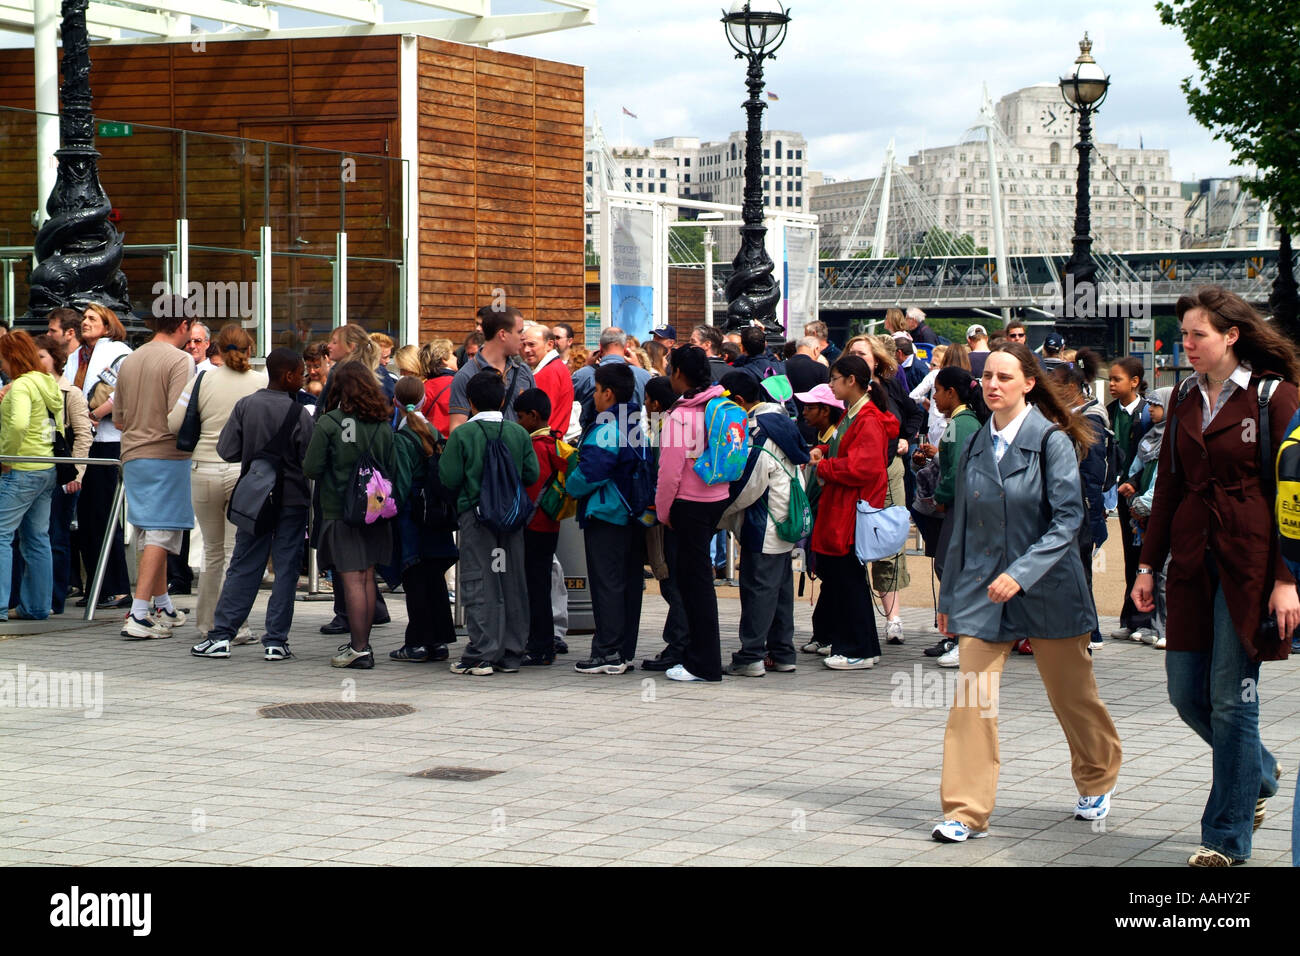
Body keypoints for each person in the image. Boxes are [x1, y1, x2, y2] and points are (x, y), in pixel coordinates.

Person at [1133, 286, 1299, 867]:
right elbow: (1170, 488)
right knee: (1185, 693)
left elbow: (1293, 494)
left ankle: (1225, 840)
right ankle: (1259, 769)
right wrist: (1147, 565)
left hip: (1250, 566)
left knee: (1232, 700)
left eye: (1196, 335)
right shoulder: (1181, 395)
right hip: (1191, 563)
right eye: (1183, 336)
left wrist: (1286, 577)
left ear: (1231, 336)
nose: (1187, 345)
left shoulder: (1274, 398)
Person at [932, 342, 1121, 844]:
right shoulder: (975, 441)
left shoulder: (1052, 440)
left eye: (1005, 377)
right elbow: (963, 529)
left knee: (1073, 696)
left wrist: (1021, 572)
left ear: (1029, 384)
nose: (993, 385)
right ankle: (965, 810)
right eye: (988, 376)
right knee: (971, 702)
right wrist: (949, 600)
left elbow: (1067, 521)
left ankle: (1097, 777)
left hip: (1050, 588)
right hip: (982, 595)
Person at [191, 348, 315, 661]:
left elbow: (227, 450)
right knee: (286, 568)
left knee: (244, 564)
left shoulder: (246, 405)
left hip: (255, 498)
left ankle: (221, 636)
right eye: (300, 373)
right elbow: (310, 461)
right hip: (292, 500)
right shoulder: (299, 413)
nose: (303, 378)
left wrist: (255, 456)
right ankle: (275, 641)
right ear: (288, 375)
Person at [167, 324, 267, 644]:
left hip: (203, 469)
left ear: (218, 349)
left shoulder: (202, 379)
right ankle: (236, 626)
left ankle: (208, 624)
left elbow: (173, 423)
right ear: (249, 349)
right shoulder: (260, 382)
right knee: (235, 552)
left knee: (212, 553)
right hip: (243, 473)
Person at [440, 370, 538, 675]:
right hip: (511, 519)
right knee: (511, 579)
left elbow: (448, 477)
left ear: (469, 402)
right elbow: (531, 474)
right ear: (505, 399)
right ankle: (512, 650)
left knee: (480, 580)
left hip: (477, 517)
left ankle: (483, 651)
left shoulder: (463, 435)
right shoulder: (518, 433)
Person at [803, 356, 896, 669]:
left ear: (851, 381)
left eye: (835, 378)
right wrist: (824, 451)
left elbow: (863, 467)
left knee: (849, 582)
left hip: (851, 509)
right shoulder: (854, 415)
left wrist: (825, 465)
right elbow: (849, 451)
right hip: (845, 507)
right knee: (847, 580)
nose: (831, 384)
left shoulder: (866, 418)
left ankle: (857, 649)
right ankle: (859, 646)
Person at [303, 362, 397, 669]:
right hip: (375, 511)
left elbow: (312, 467)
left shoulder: (329, 423)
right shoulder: (382, 424)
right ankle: (362, 644)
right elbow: (392, 466)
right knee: (368, 577)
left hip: (340, 511)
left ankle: (359, 648)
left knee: (352, 582)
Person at [112, 307, 196, 639]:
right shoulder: (180, 360)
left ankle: (162, 605)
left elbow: (117, 417)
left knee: (149, 531)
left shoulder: (131, 359)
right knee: (162, 532)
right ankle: (139, 612)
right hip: (167, 453)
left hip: (132, 451)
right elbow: (179, 415)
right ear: (184, 324)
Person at [718, 371, 808, 676]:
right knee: (779, 589)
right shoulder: (783, 422)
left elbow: (749, 486)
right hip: (785, 517)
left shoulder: (759, 431)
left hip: (763, 521)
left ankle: (751, 655)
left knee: (758, 589)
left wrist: (716, 515)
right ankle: (782, 652)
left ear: (740, 401)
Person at [654, 346, 731, 682]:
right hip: (717, 497)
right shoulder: (719, 405)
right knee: (701, 582)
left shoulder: (681, 415)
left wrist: (662, 511)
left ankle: (703, 662)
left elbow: (669, 472)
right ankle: (701, 658)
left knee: (694, 585)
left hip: (687, 503)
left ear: (679, 374)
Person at [566, 364, 648, 674]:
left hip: (607, 514)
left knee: (607, 585)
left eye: (597, 390)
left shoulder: (606, 428)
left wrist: (569, 485)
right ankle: (623, 650)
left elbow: (589, 473)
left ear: (608, 393)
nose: (594, 396)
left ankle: (606, 653)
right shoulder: (637, 424)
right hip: (634, 515)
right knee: (627, 584)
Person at [316, 325, 395, 635]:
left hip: (342, 489)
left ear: (350, 346)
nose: (328, 347)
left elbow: (314, 458)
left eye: (334, 342)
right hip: (376, 488)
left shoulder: (343, 378)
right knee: (367, 565)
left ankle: (353, 627)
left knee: (348, 563)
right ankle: (369, 611)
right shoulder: (383, 379)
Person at [64, 303, 133, 609]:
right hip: (82, 442)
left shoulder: (118, 351)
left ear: (108, 325)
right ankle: (96, 586)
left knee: (104, 516)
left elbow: (124, 391)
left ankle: (117, 588)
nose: (86, 323)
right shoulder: (75, 356)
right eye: (84, 319)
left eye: (93, 318)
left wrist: (94, 413)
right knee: (88, 519)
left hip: (106, 441)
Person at [388, 375, 458, 663]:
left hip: (413, 517)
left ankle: (416, 643)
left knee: (415, 579)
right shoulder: (434, 432)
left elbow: (401, 485)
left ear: (395, 402)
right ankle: (438, 642)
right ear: (425, 400)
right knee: (435, 580)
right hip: (437, 515)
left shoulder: (402, 438)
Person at [1050, 348, 1112, 652]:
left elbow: (1092, 474)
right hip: (1077, 508)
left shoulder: (1090, 421)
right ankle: (1088, 632)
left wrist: (1092, 513)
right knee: (1076, 572)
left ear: (1072, 389)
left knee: (1080, 573)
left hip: (1083, 510)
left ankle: (1089, 633)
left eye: (1057, 389)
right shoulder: (1073, 418)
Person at [0, 331, 63, 621]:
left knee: (1, 535)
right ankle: (37, 606)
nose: (1, 365)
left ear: (12, 357)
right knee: (38, 538)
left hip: (20, 467)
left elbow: (18, 424)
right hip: (46, 467)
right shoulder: (46, 382)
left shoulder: (22, 385)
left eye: (2, 359)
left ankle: (0, 605)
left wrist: (6, 457)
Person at [32, 334, 92, 615]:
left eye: (42, 356)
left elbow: (82, 435)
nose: (37, 361)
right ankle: (33, 596)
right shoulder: (24, 387)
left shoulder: (71, 393)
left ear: (55, 359)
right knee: (31, 536)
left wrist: (77, 474)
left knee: (56, 535)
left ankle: (55, 597)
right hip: (32, 469)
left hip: (60, 472)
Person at [639, 375, 691, 671]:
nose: (644, 405)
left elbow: (666, 477)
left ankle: (680, 644)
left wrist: (661, 512)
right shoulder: (686, 421)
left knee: (673, 582)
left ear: (656, 404)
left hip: (671, 516)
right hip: (690, 513)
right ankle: (679, 641)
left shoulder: (667, 428)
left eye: (647, 400)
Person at [512, 388, 565, 666]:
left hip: (533, 526)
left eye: (520, 417)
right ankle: (543, 644)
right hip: (550, 525)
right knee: (541, 584)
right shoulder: (555, 442)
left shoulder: (534, 447)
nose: (517, 422)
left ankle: (540, 645)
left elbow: (531, 488)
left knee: (534, 588)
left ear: (533, 416)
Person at [1107, 356, 1152, 641]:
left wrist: (1135, 483)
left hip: (1142, 494)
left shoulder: (1148, 414)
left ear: (1134, 382)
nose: (1111, 384)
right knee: (1128, 553)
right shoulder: (1109, 412)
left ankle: (1146, 619)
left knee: (1144, 555)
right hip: (1119, 493)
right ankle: (1130, 618)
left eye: (1117, 379)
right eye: (1110, 379)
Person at [447, 305, 535, 432]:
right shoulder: (465, 375)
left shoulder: (523, 371)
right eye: (519, 332)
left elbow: (535, 421)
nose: (523, 337)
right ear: (503, 334)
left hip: (518, 450)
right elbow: (457, 430)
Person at [572, 326, 651, 430]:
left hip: (594, 438)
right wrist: (639, 368)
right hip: (630, 439)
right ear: (626, 347)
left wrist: (586, 366)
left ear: (600, 347)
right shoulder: (642, 375)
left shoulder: (583, 375)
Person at [528, 327, 576, 435]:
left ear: (549, 345)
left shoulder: (549, 371)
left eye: (532, 344)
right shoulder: (555, 367)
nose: (526, 349)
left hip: (544, 442)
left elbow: (542, 418)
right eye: (523, 344)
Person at [419, 338, 457, 436]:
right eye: (453, 354)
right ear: (444, 360)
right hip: (450, 441)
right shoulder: (457, 384)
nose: (456, 358)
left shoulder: (423, 387)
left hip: (429, 440)